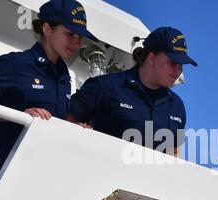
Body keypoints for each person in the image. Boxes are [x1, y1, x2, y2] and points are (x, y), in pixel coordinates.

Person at [0, 0, 98, 191]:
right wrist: (20, 116)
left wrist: (72, 127)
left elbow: (50, 120)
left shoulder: (64, 76)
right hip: (7, 179)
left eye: (79, 37)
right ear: (47, 28)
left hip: (44, 178)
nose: (76, 43)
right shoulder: (15, 64)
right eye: (70, 34)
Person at [68, 26, 197, 156]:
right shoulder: (104, 87)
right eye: (173, 63)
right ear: (152, 58)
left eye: (181, 65)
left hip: (152, 176)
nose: (178, 71)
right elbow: (65, 123)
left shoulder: (177, 107)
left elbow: (174, 153)